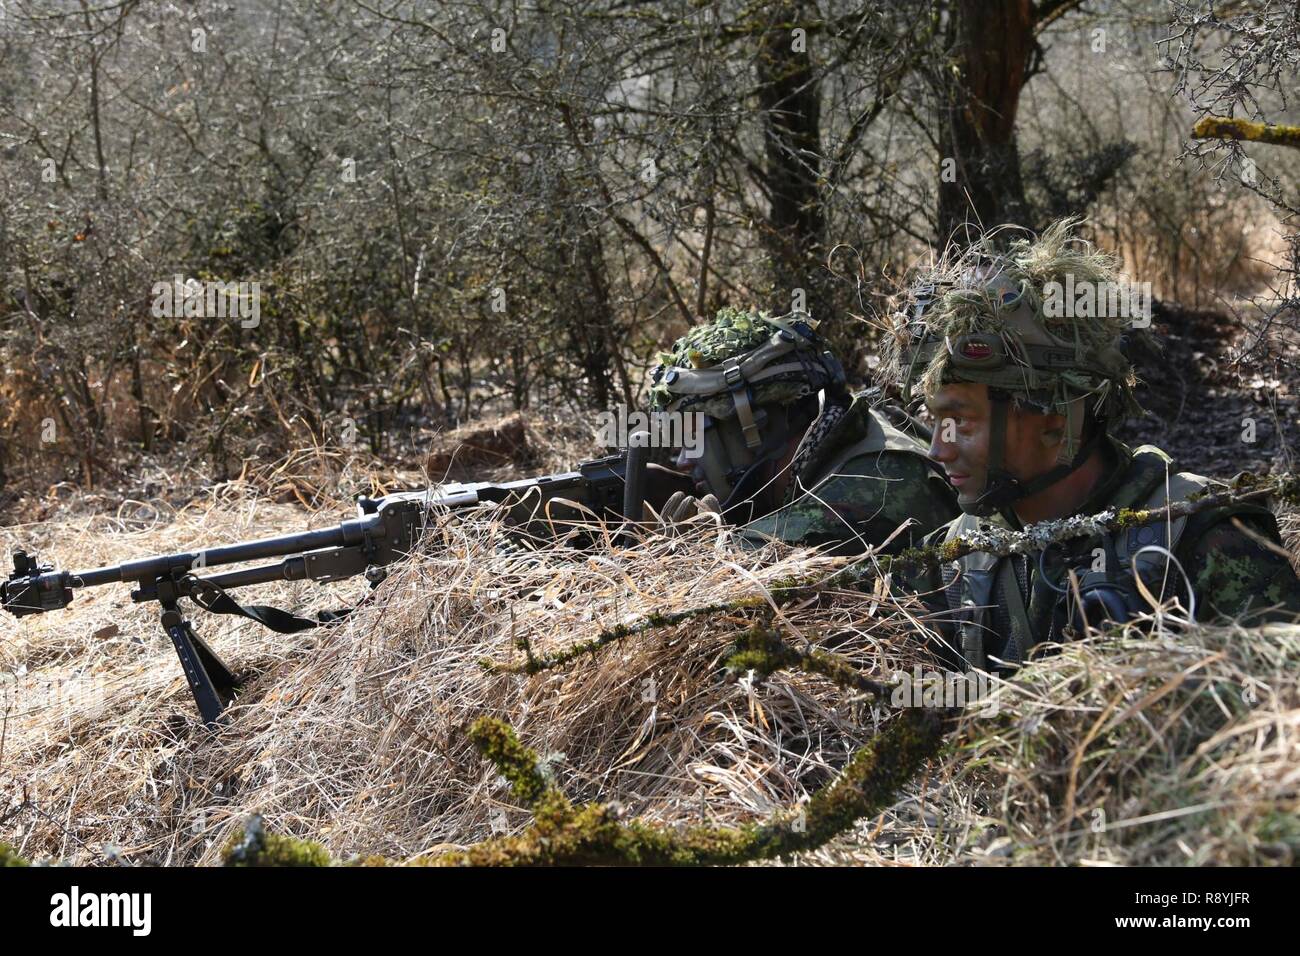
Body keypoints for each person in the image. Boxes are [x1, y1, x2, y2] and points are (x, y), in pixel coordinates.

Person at [887, 218, 1300, 672]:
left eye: (961, 422)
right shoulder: (952, 559)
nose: (938, 450)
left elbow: (1278, 700)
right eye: (935, 421)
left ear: (1055, 422)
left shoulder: (1203, 540)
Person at [646, 306, 958, 555]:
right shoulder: (845, 428)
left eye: (693, 437)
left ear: (756, 426)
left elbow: (749, 569)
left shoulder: (868, 485)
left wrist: (682, 547)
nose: (683, 460)